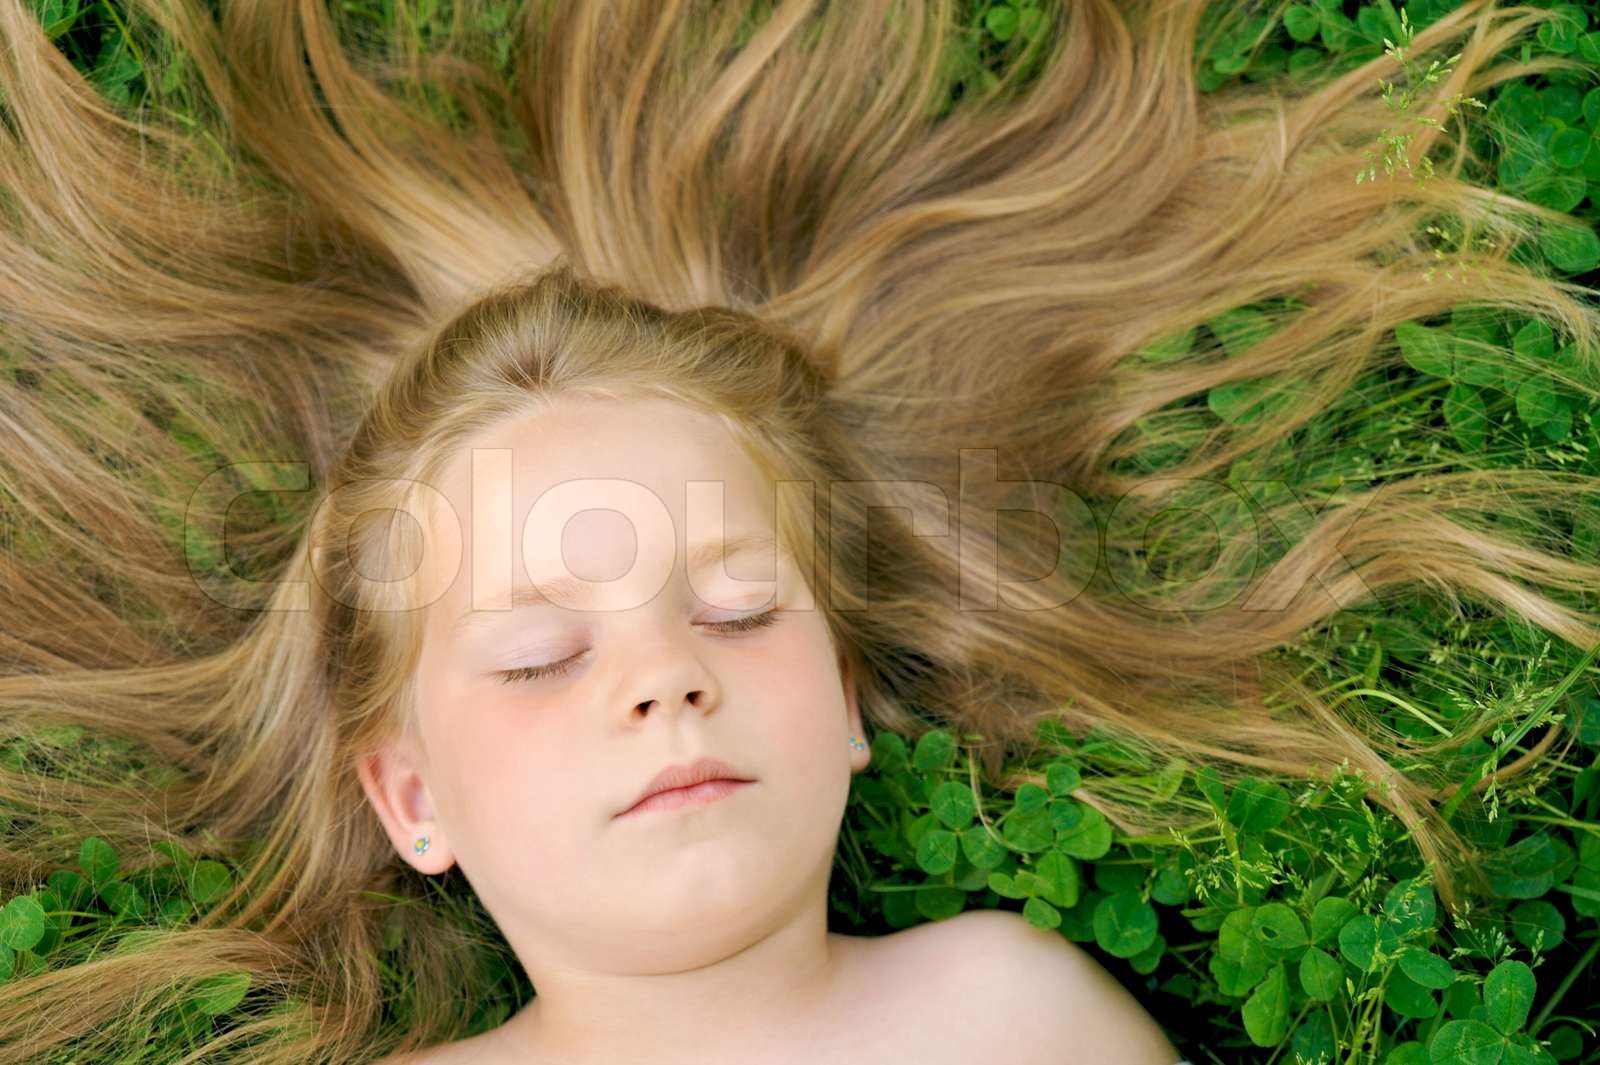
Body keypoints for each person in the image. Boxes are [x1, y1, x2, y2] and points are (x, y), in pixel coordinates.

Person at [0, 1, 1595, 1063]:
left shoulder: (1002, 1010)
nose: (666, 678)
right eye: (544, 655)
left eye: (745, 609)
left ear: (845, 705)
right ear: (410, 795)